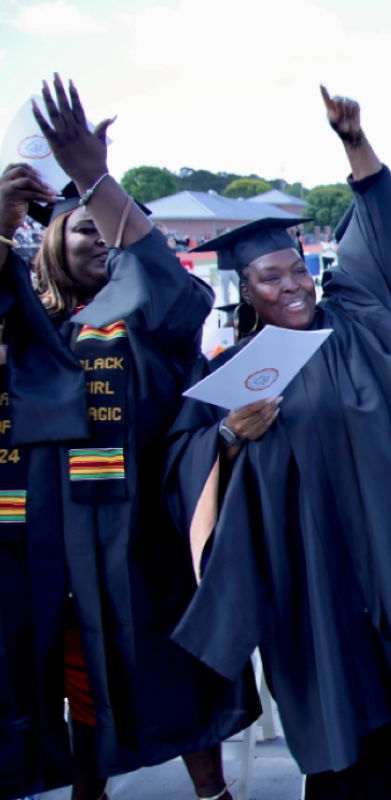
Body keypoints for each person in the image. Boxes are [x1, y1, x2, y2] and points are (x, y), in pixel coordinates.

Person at [165, 86, 391, 798]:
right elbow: (189, 465)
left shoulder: (360, 318)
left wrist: (354, 143)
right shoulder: (235, 376)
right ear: (246, 292)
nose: (292, 285)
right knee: (340, 727)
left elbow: (380, 219)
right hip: (312, 573)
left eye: (296, 269)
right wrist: (230, 436)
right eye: (269, 277)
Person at [0, 78, 258, 800]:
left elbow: (168, 285)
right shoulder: (28, 319)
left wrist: (94, 178)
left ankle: (212, 792)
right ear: (52, 239)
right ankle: (89, 790)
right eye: (81, 227)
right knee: (73, 669)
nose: (98, 239)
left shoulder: (142, 318)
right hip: (41, 532)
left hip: (139, 526)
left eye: (107, 228)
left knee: (172, 663)